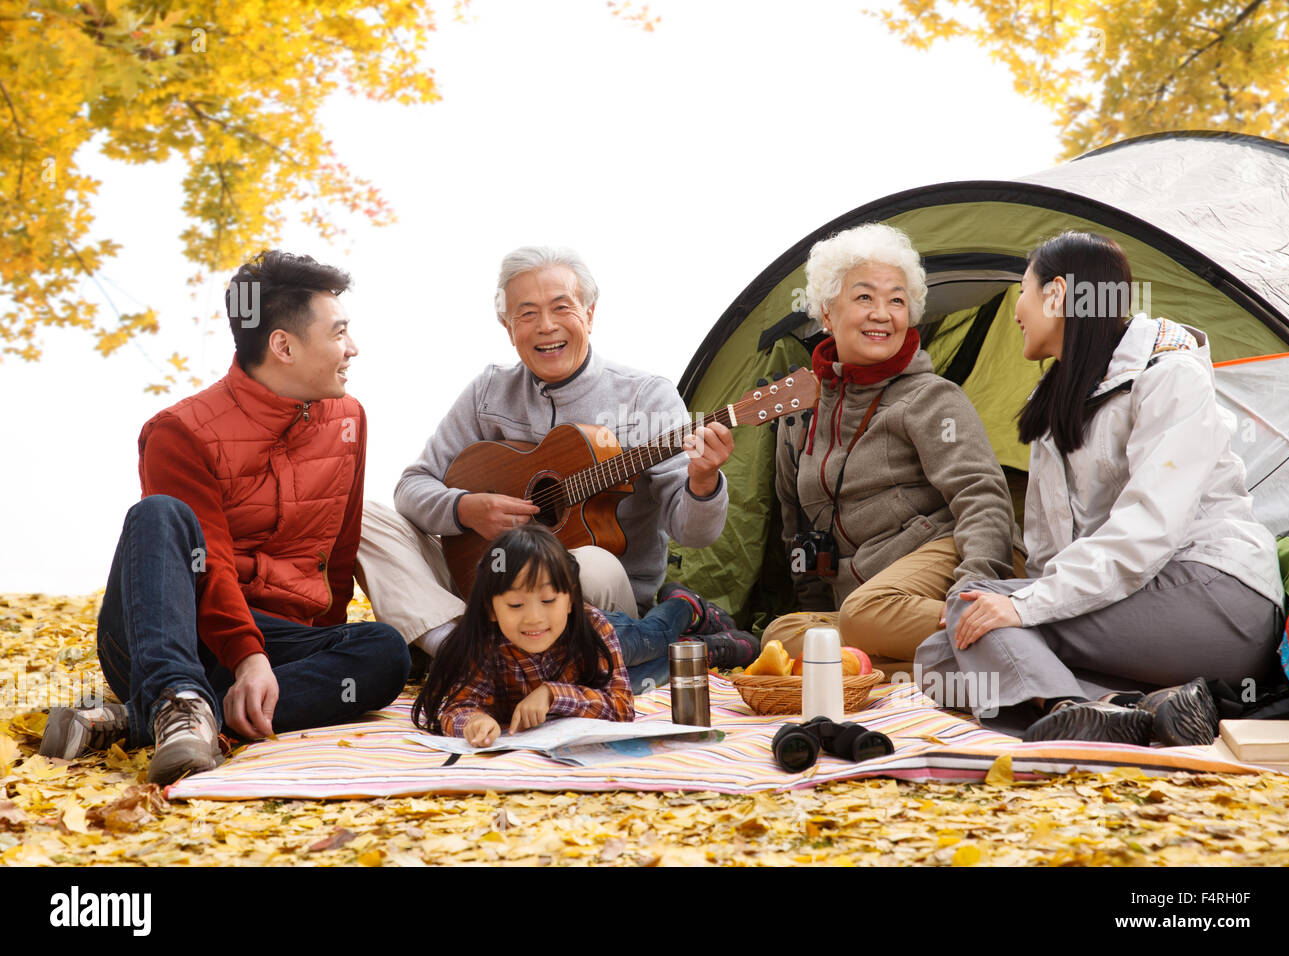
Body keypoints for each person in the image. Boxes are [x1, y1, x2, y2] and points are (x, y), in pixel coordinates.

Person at [39, 251, 410, 785]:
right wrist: (247, 659)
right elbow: (206, 561)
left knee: (383, 652)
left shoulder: (347, 418)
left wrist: (321, 650)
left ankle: (150, 719)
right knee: (159, 514)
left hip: (277, 641)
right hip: (172, 632)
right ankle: (175, 696)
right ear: (283, 345)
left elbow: (338, 548)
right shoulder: (180, 432)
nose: (353, 349)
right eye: (339, 333)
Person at [914, 231, 1285, 745]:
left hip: (1217, 598)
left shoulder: (1169, 373)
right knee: (941, 655)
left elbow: (1147, 530)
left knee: (974, 616)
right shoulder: (1056, 400)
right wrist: (1030, 608)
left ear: (1057, 295)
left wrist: (1025, 607)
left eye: (1023, 291)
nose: (1016, 310)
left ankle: (1075, 706)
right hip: (1135, 615)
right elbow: (1050, 555)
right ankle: (1142, 708)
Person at [359, 246, 756, 682]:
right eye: (526, 314)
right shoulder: (488, 391)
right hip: (484, 584)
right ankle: (456, 648)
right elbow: (412, 487)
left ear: (589, 312)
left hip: (595, 594)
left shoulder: (645, 397)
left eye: (560, 307)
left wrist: (703, 480)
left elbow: (695, 534)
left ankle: (490, 655)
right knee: (364, 519)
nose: (546, 326)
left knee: (590, 562)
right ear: (508, 328)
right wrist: (467, 508)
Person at [765, 223, 1019, 676]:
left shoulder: (931, 398)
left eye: (897, 300)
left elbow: (982, 497)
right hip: (869, 602)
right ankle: (926, 665)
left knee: (862, 618)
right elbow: (795, 531)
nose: (882, 313)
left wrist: (976, 593)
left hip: (947, 557)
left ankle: (1015, 637)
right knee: (782, 634)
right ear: (826, 313)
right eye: (864, 297)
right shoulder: (799, 411)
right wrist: (817, 607)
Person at [411, 524, 636, 746]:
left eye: (548, 600)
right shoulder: (484, 643)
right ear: (491, 609)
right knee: (650, 665)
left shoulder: (594, 624)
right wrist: (475, 721)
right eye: (516, 604)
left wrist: (552, 694)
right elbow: (457, 708)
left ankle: (671, 609)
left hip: (606, 635)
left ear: (570, 600)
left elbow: (622, 708)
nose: (534, 617)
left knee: (650, 642)